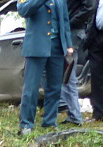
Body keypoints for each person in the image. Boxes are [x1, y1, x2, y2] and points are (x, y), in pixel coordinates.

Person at [17, 0, 73, 134]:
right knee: (31, 88)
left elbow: (64, 20)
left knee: (55, 87)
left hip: (57, 46)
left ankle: (50, 121)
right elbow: (23, 10)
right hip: (36, 45)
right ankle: (26, 124)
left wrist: (68, 44)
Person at [58, 0, 95, 124]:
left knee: (68, 72)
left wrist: (68, 23)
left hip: (73, 31)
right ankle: (69, 110)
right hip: (70, 30)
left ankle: (74, 115)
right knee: (65, 72)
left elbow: (90, 7)